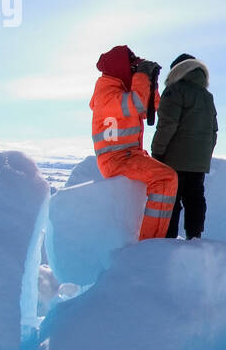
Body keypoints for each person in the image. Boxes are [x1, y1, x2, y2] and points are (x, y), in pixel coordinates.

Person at [91, 45, 177, 240]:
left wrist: (150, 81)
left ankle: (151, 238)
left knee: (165, 176)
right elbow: (137, 103)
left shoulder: (122, 90)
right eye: (132, 65)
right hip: (116, 159)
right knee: (166, 179)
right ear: (121, 67)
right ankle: (150, 243)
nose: (135, 69)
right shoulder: (105, 93)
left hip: (129, 155)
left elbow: (152, 107)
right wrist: (141, 76)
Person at [151, 54, 218, 240]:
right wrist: (204, 156)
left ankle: (168, 240)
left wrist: (157, 152)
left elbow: (167, 124)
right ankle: (194, 238)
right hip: (198, 162)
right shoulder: (207, 96)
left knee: (171, 200)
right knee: (195, 199)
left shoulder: (176, 90)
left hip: (174, 158)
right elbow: (213, 131)